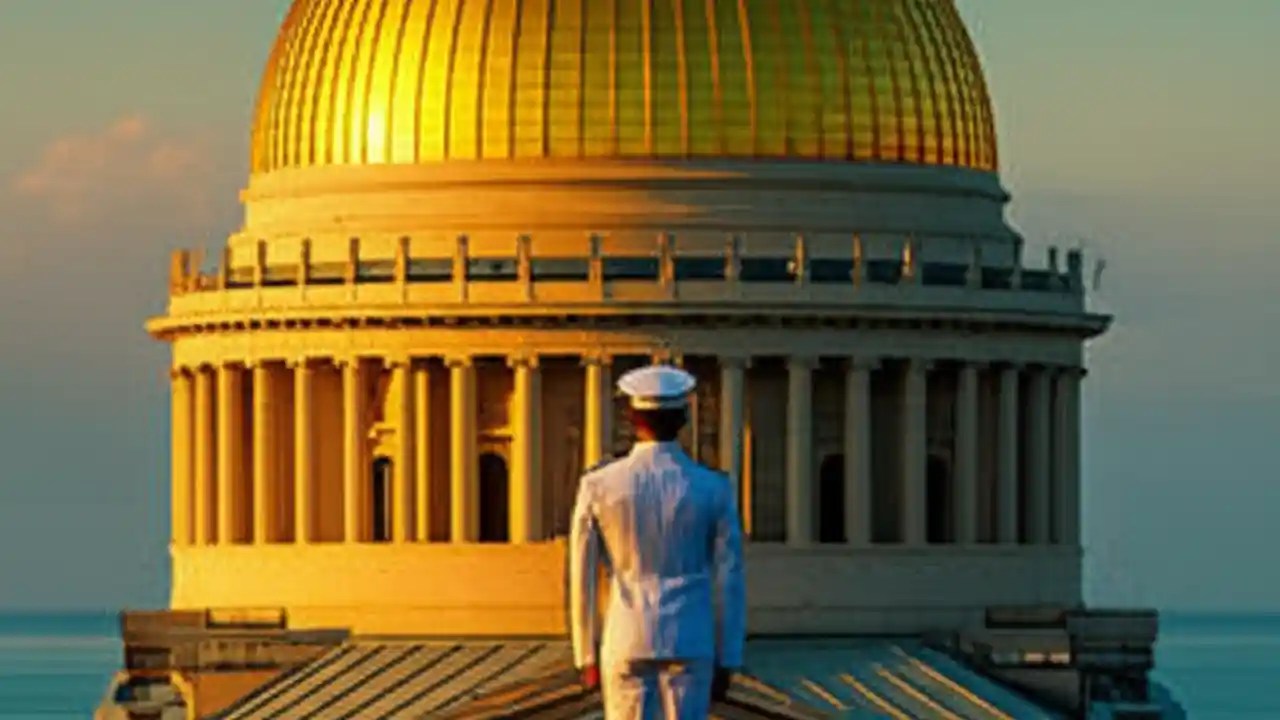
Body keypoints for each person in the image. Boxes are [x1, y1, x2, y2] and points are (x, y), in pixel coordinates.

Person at [569, 364, 747, 720]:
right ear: (683, 419)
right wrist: (728, 656)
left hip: (627, 634)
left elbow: (582, 574)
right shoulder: (714, 487)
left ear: (632, 416)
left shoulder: (600, 485)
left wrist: (585, 654)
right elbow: (730, 580)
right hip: (689, 636)